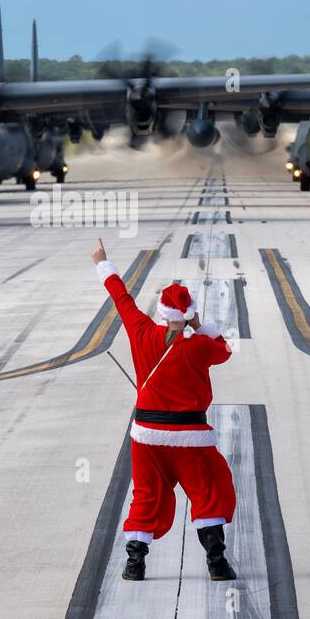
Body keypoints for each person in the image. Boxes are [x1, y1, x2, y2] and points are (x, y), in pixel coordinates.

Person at [91, 238, 237, 581]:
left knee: (145, 494)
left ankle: (134, 563)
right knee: (208, 491)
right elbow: (225, 350)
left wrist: (103, 263)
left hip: (146, 436)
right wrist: (200, 326)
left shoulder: (141, 332)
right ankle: (216, 561)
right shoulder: (200, 346)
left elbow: (121, 298)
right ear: (186, 315)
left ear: (161, 312)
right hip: (190, 437)